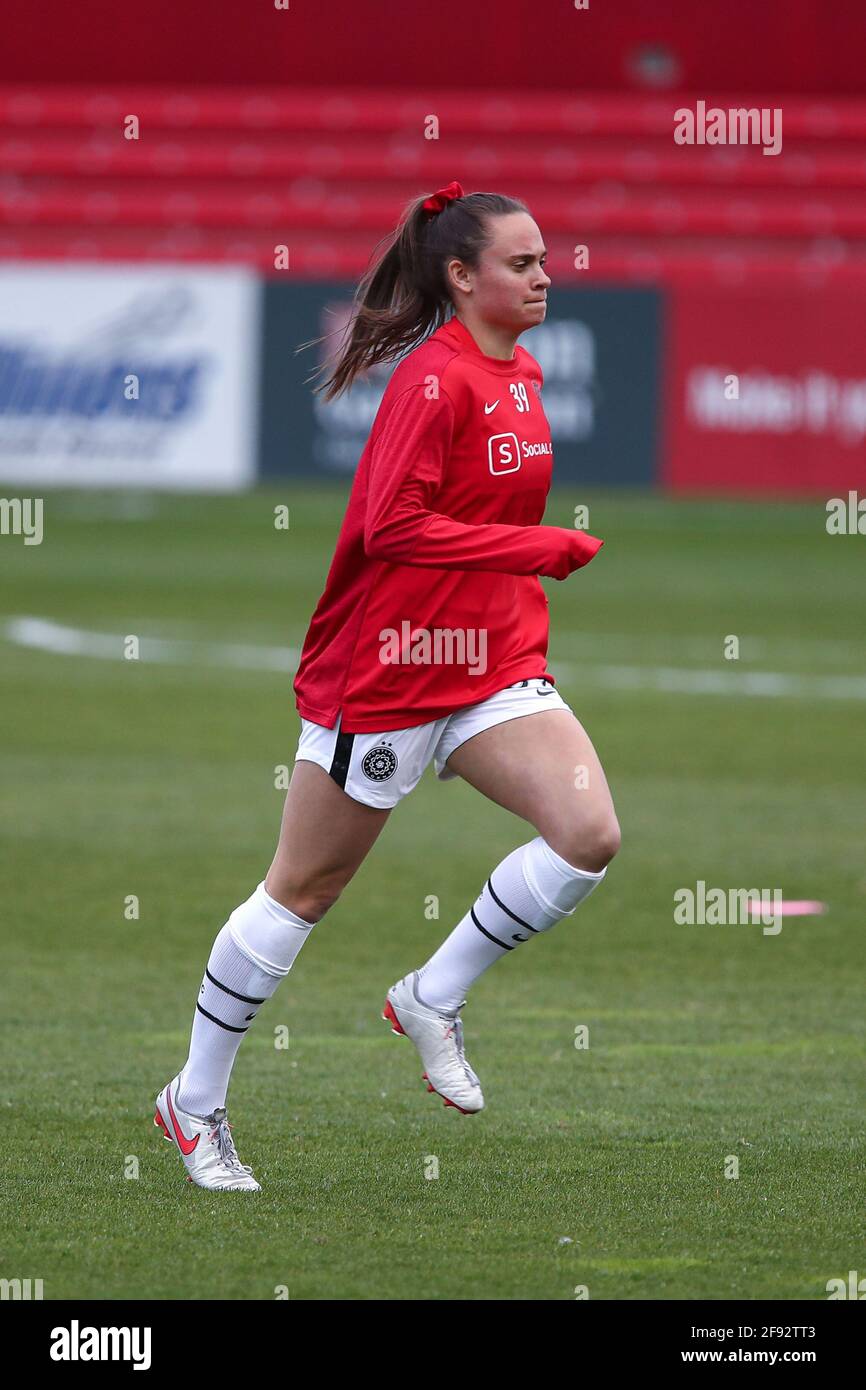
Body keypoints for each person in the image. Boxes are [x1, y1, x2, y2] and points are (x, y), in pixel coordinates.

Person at [153, 181, 621, 1191]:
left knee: (588, 833)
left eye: (544, 260)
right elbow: (390, 527)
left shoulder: (524, 372)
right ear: (461, 276)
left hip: (491, 661)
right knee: (303, 890)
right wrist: (535, 547)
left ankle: (430, 995)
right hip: (391, 665)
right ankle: (191, 1102)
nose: (545, 276)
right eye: (521, 263)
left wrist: (516, 576)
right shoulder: (432, 381)